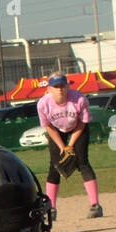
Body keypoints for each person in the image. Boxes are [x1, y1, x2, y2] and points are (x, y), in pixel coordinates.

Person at [37, 73, 103, 218]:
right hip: (56, 130)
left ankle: (95, 205)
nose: (60, 89)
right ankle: (51, 208)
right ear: (49, 89)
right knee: (55, 166)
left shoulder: (79, 99)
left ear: (67, 86)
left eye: (62, 85)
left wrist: (71, 144)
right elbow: (48, 126)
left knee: (83, 163)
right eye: (56, 86)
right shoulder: (43, 104)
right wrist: (62, 146)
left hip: (77, 128)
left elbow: (82, 122)